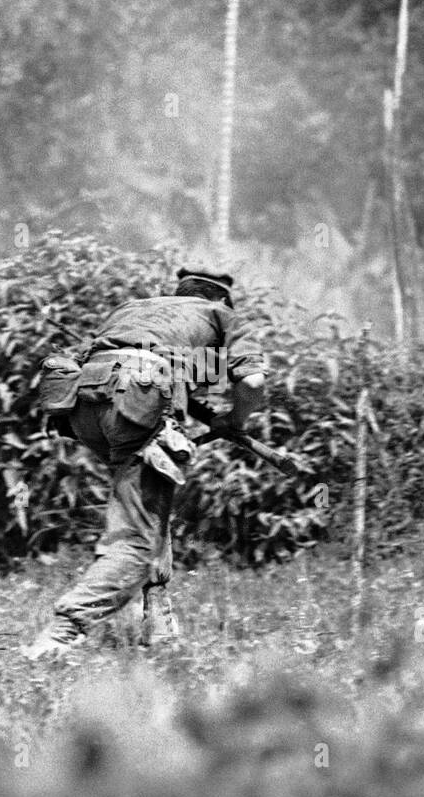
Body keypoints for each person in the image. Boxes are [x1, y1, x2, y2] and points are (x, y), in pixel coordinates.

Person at [24, 265, 267, 658]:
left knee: (150, 509)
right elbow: (252, 384)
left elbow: (184, 373)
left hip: (84, 406)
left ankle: (159, 624)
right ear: (222, 298)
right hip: (137, 401)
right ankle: (62, 632)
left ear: (182, 290)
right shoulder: (220, 314)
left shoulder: (137, 308)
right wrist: (235, 421)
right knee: (136, 538)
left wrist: (197, 403)